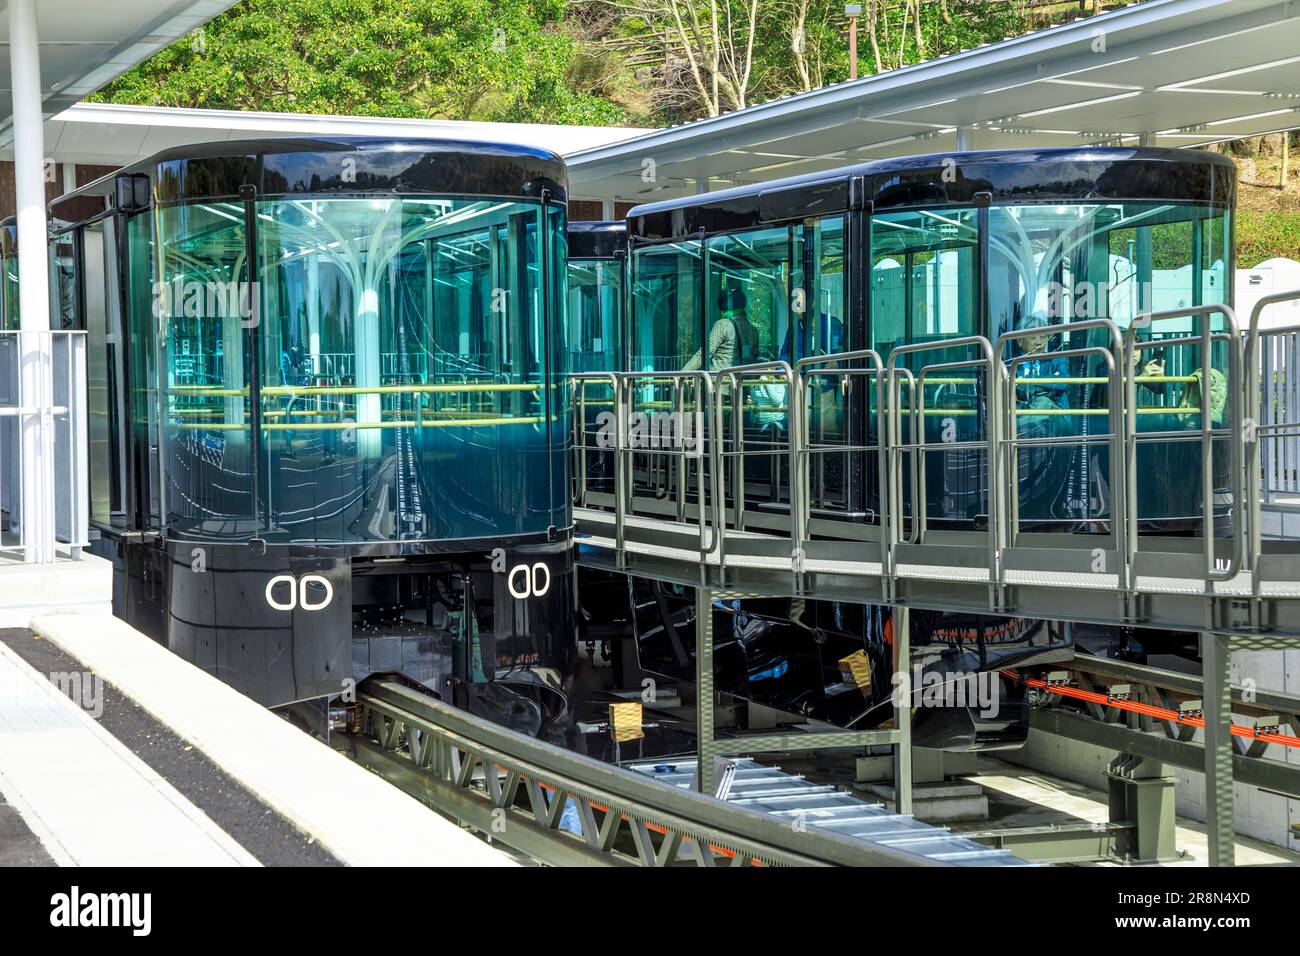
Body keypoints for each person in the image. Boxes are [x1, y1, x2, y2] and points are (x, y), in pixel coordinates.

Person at [683, 288, 760, 371]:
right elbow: (753, 357)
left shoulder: (723, 325)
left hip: (719, 380)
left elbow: (704, 353)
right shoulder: (753, 331)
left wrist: (682, 374)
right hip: (740, 380)